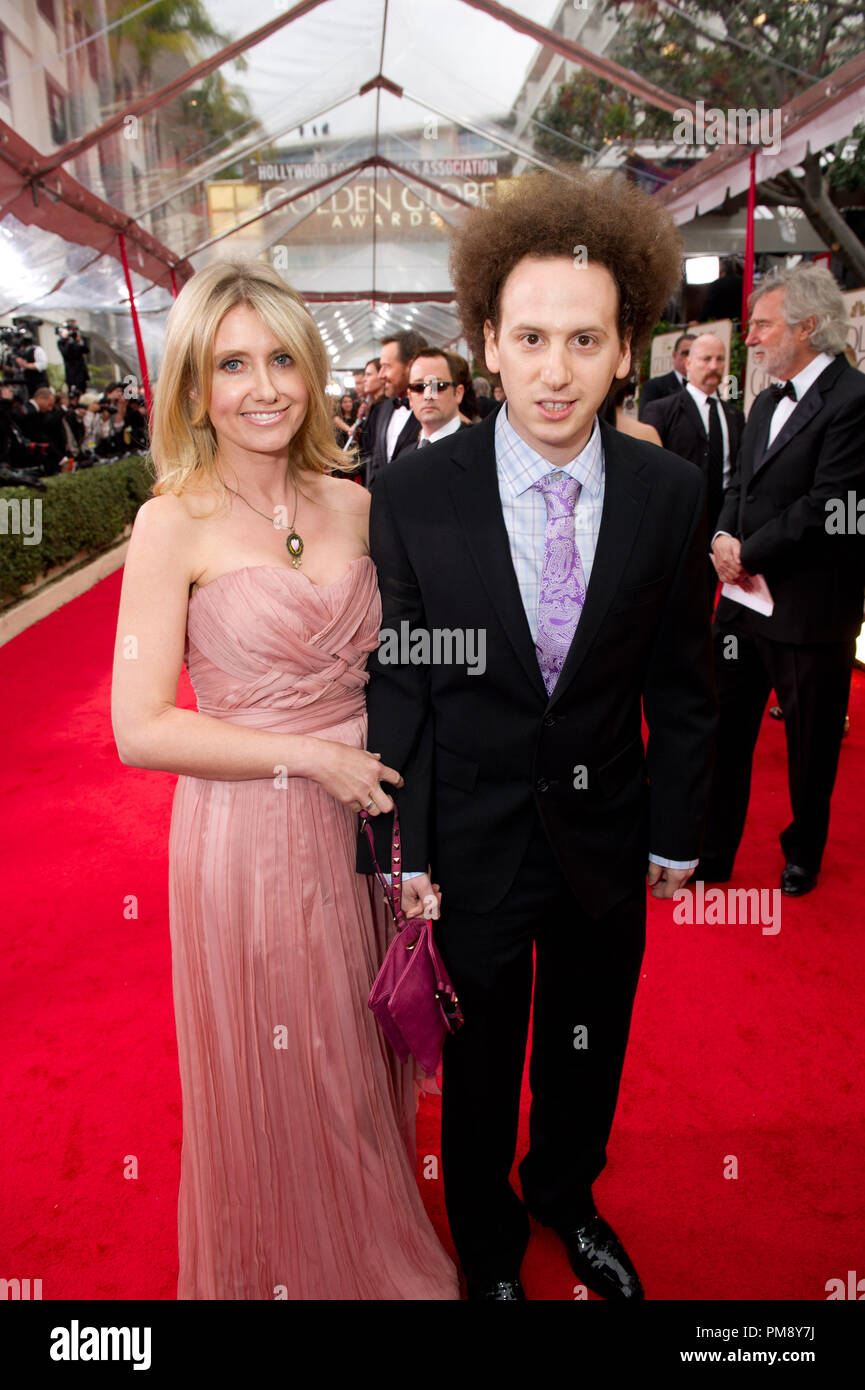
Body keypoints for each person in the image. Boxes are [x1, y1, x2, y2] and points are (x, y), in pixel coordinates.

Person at [357, 169, 717, 1301]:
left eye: (584, 338)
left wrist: (675, 833)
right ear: (487, 345)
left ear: (625, 352)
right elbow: (403, 678)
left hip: (605, 834)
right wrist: (406, 851)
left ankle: (565, 1193)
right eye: (529, 337)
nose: (554, 368)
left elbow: (685, 680)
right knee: (479, 1068)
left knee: (586, 1044)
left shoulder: (668, 492)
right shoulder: (417, 493)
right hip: (469, 840)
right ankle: (491, 1250)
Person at [110, 257, 459, 1301]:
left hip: (369, 821)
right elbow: (138, 727)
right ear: (193, 388)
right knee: (284, 1062)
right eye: (230, 364)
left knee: (363, 1051)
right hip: (249, 831)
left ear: (311, 374)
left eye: (279, 360)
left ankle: (361, 1228)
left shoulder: (360, 505)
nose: (261, 386)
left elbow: (410, 677)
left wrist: (420, 838)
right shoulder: (171, 521)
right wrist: (311, 755)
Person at [700, 263, 865, 897]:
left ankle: (804, 852)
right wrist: (720, 539)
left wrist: (749, 552)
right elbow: (738, 487)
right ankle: (713, 852)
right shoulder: (765, 400)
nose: (752, 339)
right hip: (742, 607)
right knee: (724, 734)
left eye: (763, 325)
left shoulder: (854, 400)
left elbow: (829, 505)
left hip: (809, 609)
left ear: (809, 326)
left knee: (811, 745)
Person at [641, 332, 744, 599]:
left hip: (722, 527)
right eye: (706, 358)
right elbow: (649, 470)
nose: (714, 366)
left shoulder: (735, 416)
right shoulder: (661, 410)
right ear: (688, 363)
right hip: (675, 525)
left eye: (720, 359)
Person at [367, 330, 425, 484]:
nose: (381, 375)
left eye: (386, 366)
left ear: (411, 365)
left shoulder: (433, 411)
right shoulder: (383, 408)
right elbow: (375, 464)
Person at [406, 347, 471, 448]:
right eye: (418, 387)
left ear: (458, 393)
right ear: (410, 397)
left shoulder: (480, 446)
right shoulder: (404, 456)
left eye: (438, 386)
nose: (428, 395)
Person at [637, 332, 694, 418]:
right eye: (685, 353)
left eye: (695, 354)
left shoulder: (708, 390)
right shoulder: (653, 386)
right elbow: (645, 422)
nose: (690, 358)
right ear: (674, 355)